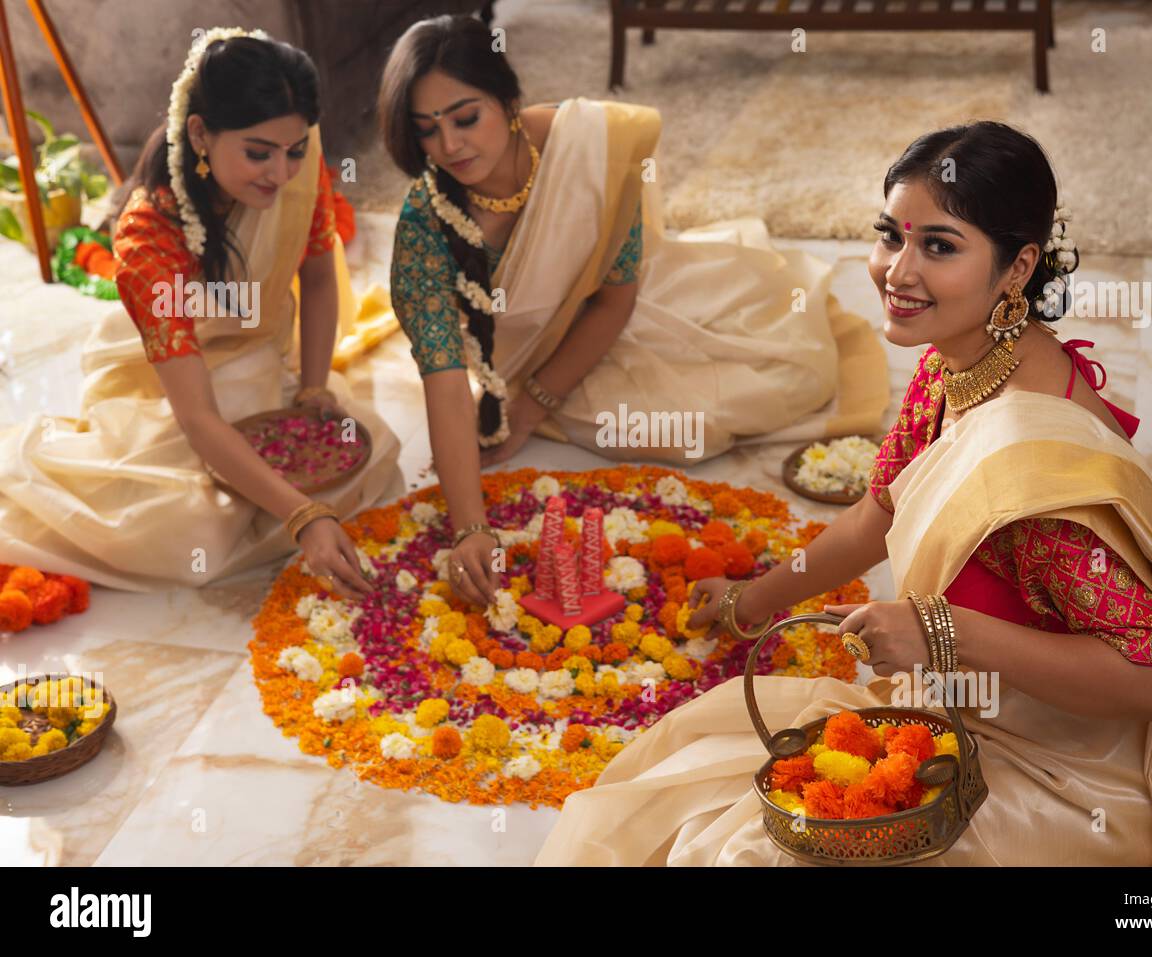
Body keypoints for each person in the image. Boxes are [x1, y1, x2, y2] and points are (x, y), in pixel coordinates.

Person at [534, 122, 1152, 866]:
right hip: (963, 712)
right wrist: (751, 599)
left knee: (744, 848)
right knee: (681, 784)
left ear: (1016, 267)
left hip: (1061, 771)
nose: (897, 271)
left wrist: (939, 630)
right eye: (890, 235)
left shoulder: (1035, 457)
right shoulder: (955, 365)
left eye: (938, 246)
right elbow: (878, 515)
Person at [375, 15, 892, 608]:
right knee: (640, 428)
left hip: (629, 306)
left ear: (508, 100)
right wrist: (470, 526)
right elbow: (442, 375)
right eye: (426, 131)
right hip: (523, 350)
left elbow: (617, 297)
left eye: (466, 118)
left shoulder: (591, 146)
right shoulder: (425, 225)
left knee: (787, 372)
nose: (450, 146)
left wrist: (529, 408)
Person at [0, 29, 401, 595]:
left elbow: (316, 276)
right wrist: (303, 516)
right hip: (166, 378)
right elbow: (198, 417)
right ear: (200, 134)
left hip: (260, 356)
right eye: (258, 153)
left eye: (293, 151)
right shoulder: (147, 235)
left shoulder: (297, 164)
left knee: (371, 447)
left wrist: (313, 388)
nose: (281, 174)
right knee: (196, 525)